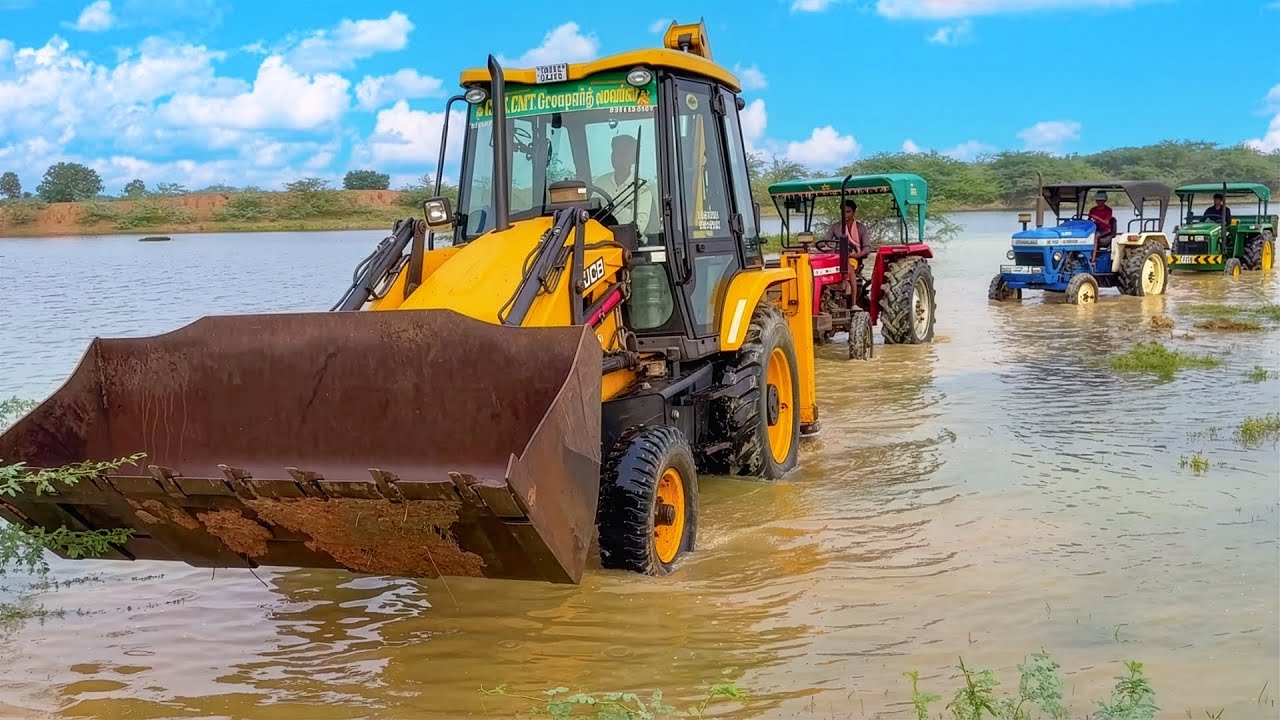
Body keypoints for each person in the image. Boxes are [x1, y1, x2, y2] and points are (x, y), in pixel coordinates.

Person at [592, 134, 654, 234]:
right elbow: (592, 214)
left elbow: (639, 227)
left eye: (623, 154)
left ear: (633, 159)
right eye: (614, 152)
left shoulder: (642, 189)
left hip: (630, 240)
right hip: (600, 238)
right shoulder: (600, 183)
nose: (617, 157)